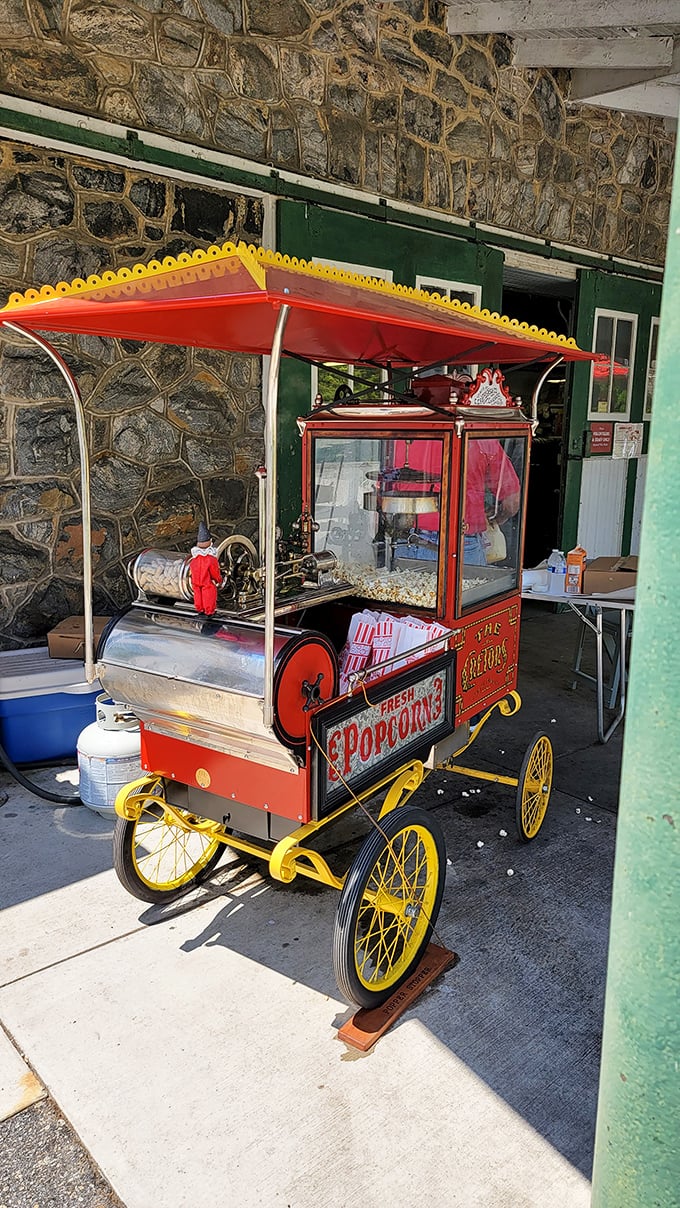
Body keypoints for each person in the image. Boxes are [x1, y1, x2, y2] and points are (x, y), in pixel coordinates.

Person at [463, 438, 520, 567]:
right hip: (464, 538)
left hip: (411, 537)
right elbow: (512, 502)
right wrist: (497, 517)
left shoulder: (412, 433)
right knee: (468, 586)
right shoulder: (483, 439)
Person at [190, 521, 221, 615]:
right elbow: (214, 571)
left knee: (198, 595)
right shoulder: (210, 559)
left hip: (195, 582)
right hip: (206, 582)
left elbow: (192, 569)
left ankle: (200, 609)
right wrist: (219, 579)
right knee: (209, 595)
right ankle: (209, 611)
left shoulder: (194, 559)